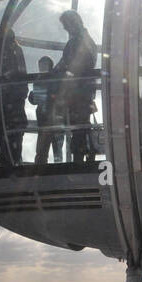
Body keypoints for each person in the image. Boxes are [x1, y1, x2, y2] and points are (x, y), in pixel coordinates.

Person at [52, 9, 98, 165]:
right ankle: (86, 155)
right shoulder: (87, 40)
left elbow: (71, 64)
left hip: (78, 93)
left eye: (65, 24)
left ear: (73, 23)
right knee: (81, 127)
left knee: (78, 127)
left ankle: (79, 160)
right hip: (83, 92)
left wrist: (58, 73)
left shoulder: (78, 42)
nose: (65, 28)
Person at [0, 27, 28, 165]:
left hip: (10, 106)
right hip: (11, 108)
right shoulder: (15, 50)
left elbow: (19, 73)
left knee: (11, 141)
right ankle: (13, 164)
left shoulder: (12, 51)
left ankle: (12, 165)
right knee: (12, 142)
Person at [30, 57, 64, 165]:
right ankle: (53, 168)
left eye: (43, 65)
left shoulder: (40, 80)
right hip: (52, 118)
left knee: (45, 148)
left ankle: (40, 168)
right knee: (53, 148)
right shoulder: (53, 79)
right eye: (41, 65)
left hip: (47, 118)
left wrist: (33, 96)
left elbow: (36, 99)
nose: (41, 68)